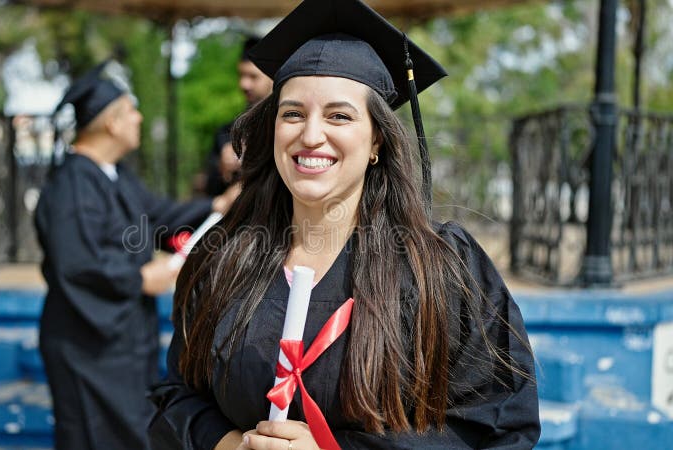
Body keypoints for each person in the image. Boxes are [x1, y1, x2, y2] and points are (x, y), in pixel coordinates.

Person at [149, 0, 540, 449]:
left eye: (339, 116)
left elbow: (496, 427)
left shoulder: (440, 267)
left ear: (377, 138)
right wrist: (228, 444)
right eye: (292, 113)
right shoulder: (225, 259)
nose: (311, 134)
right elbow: (176, 399)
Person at [34, 60, 237, 450]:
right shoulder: (73, 184)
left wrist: (218, 204)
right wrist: (141, 278)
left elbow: (160, 218)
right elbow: (75, 264)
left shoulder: (114, 175)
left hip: (120, 341)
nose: (139, 118)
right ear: (111, 122)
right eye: (131, 110)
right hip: (87, 346)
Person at [203, 37, 274, 197]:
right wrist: (222, 168)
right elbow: (210, 191)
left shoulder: (286, 126)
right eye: (241, 75)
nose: (244, 84)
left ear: (272, 76)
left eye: (253, 76)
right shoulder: (226, 133)